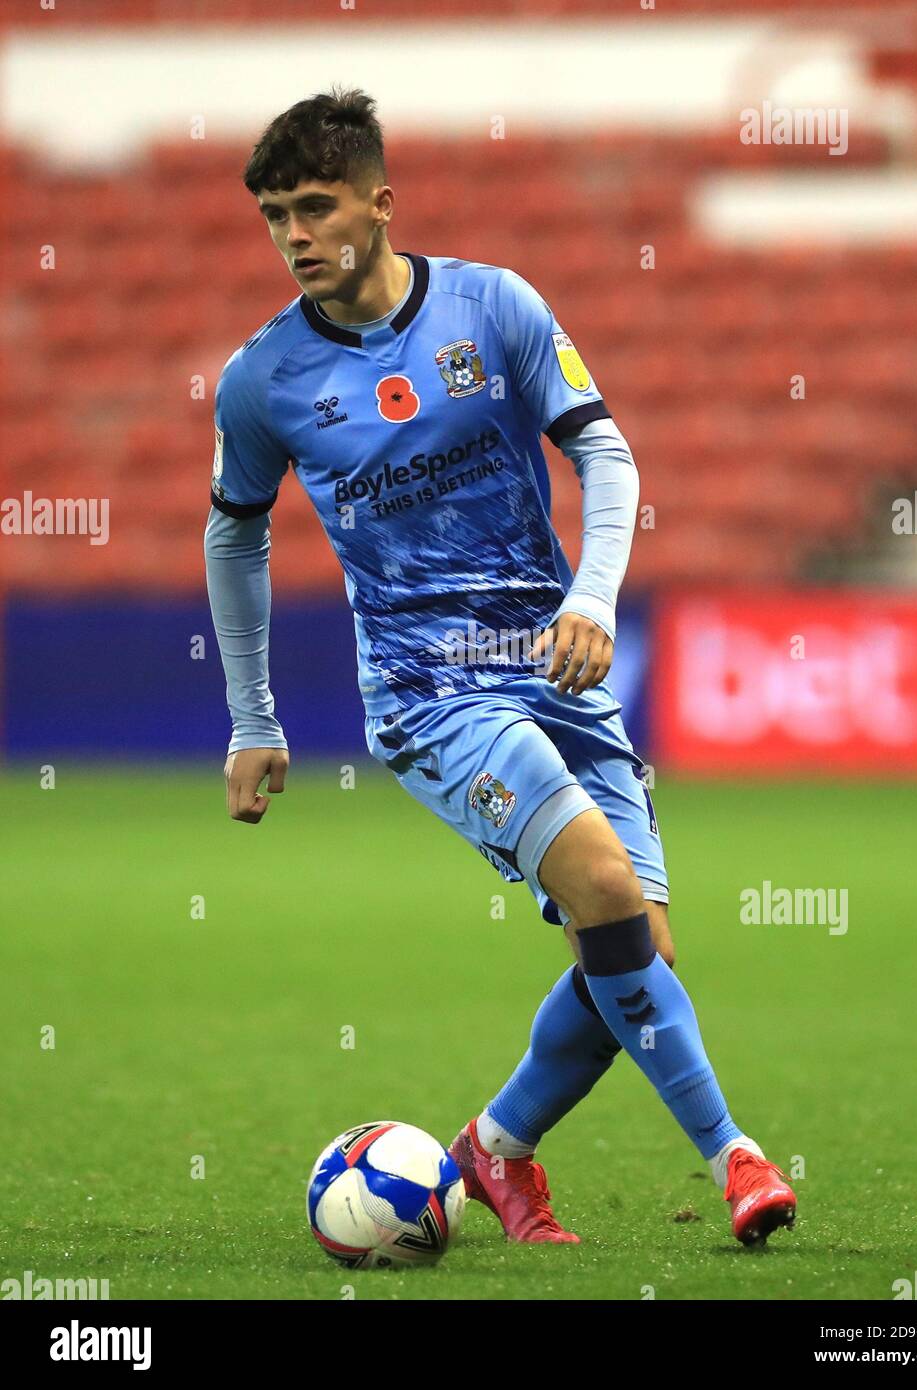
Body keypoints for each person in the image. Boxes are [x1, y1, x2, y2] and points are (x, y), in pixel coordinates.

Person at [205, 85, 796, 1248]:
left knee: (637, 952)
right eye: (275, 215)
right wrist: (251, 716)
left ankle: (497, 1147)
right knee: (610, 895)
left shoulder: (494, 307)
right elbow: (234, 531)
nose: (294, 237)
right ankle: (737, 1157)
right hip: (431, 692)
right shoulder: (262, 380)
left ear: (382, 201)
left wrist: (591, 596)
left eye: (315, 207)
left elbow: (606, 455)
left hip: (555, 660)